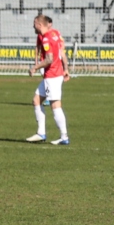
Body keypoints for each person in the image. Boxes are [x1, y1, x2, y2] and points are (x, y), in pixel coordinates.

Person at [27, 13, 70, 146]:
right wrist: (66, 68)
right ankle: (41, 133)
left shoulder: (45, 38)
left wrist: (35, 67)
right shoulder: (55, 33)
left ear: (39, 24)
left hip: (52, 76)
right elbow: (62, 51)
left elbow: (49, 59)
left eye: (34, 24)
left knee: (55, 106)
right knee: (36, 100)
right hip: (55, 74)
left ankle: (64, 137)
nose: (33, 26)